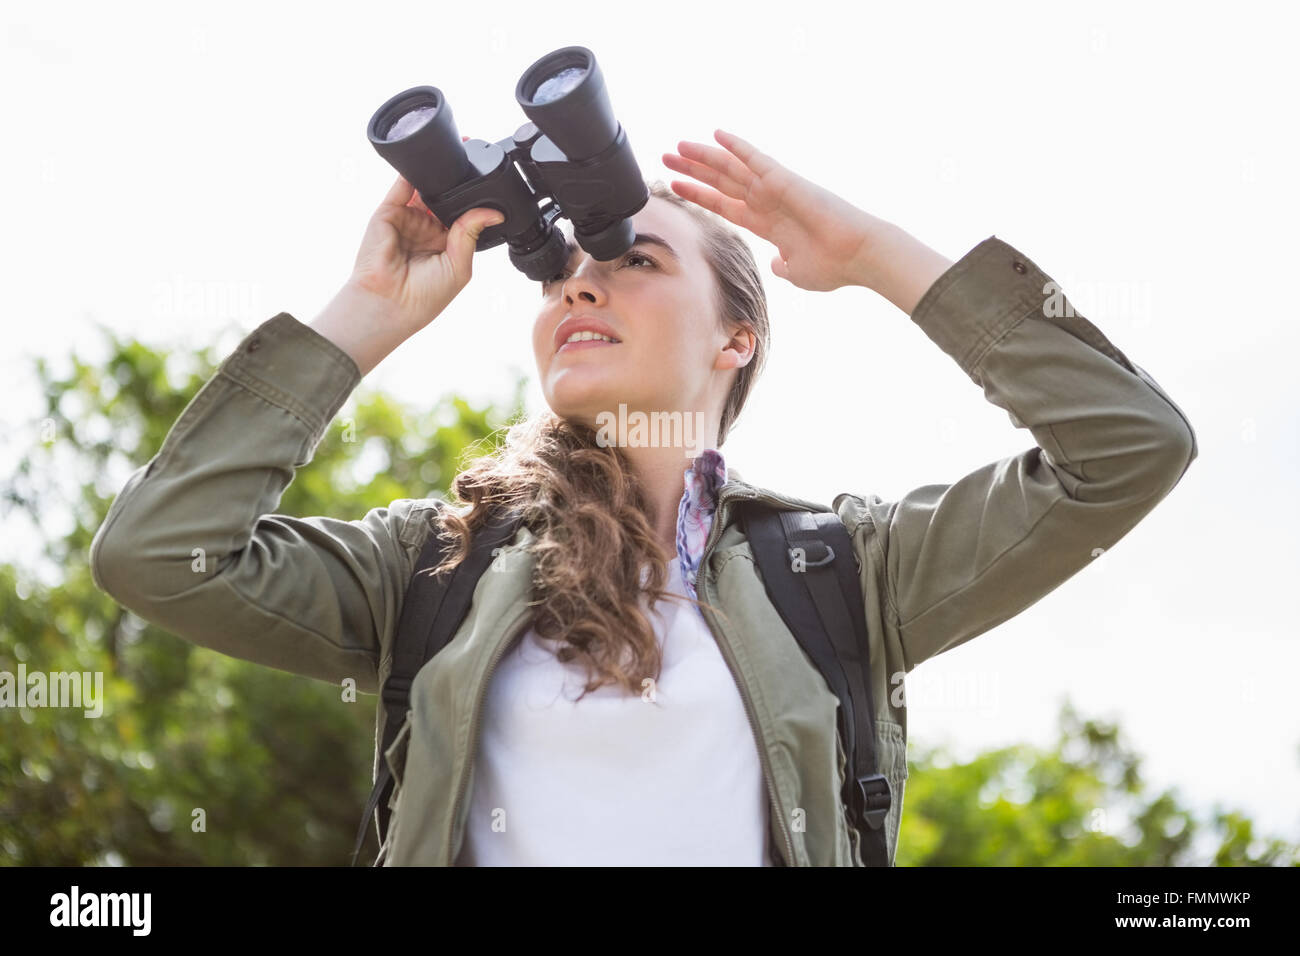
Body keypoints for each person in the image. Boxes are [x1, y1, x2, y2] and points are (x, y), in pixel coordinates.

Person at [90, 129, 1197, 867]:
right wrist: (366, 310)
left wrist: (872, 253)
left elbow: (1128, 445)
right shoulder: (432, 567)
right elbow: (157, 550)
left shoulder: (843, 573)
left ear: (736, 334)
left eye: (633, 258)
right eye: (562, 265)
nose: (578, 278)